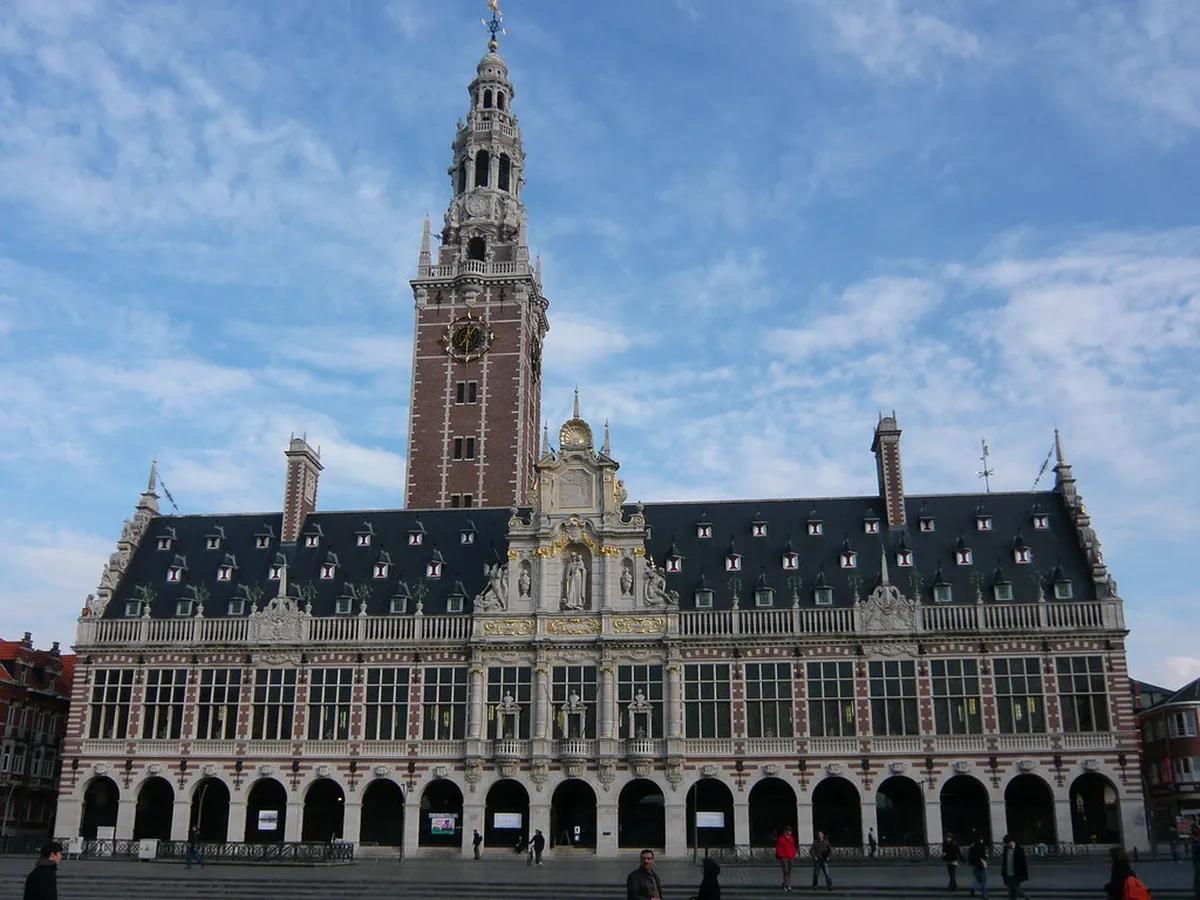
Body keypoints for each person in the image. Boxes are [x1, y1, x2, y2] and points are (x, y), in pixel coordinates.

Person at [999, 835, 1029, 900]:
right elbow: (1004, 862)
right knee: (1010, 891)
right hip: (1008, 873)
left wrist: (1024, 874)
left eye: (1008, 843)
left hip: (1016, 873)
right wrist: (1003, 872)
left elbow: (1023, 863)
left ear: (1011, 842)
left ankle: (1026, 897)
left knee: (1017, 889)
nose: (1007, 845)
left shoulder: (1019, 849)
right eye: (1006, 844)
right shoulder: (1005, 849)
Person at [775, 824, 798, 893]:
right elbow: (778, 848)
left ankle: (785, 883)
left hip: (791, 857)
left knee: (789, 872)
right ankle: (787, 885)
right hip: (784, 857)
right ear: (785, 831)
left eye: (790, 831)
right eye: (789, 831)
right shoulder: (781, 838)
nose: (790, 832)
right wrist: (781, 855)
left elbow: (793, 846)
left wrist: (794, 853)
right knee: (786, 871)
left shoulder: (791, 838)